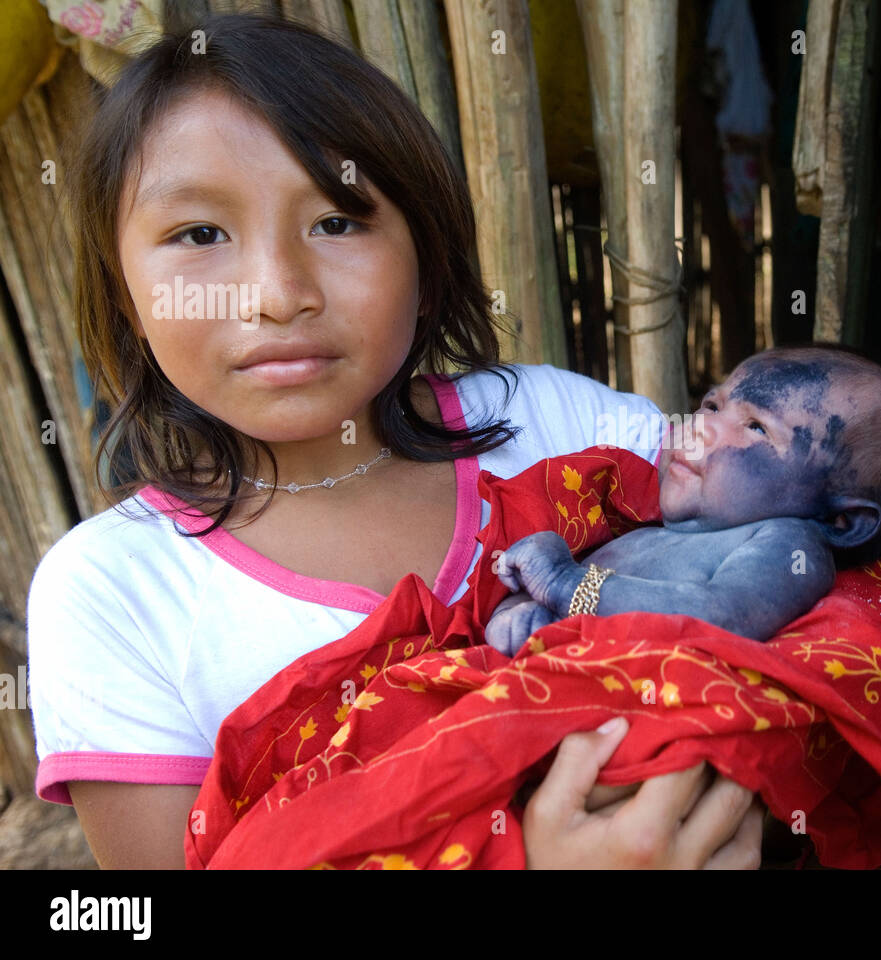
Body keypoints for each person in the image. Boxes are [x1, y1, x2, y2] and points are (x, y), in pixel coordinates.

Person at [25, 12, 762, 870]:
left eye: (338, 221)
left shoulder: (558, 427)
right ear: (123, 296)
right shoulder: (116, 595)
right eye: (199, 235)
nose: (278, 293)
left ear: (427, 256)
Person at [487, 346, 881, 655]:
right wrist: (517, 612)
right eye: (714, 404)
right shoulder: (645, 524)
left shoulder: (788, 542)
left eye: (757, 426)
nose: (701, 424)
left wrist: (564, 583)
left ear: (841, 519)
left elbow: (720, 619)